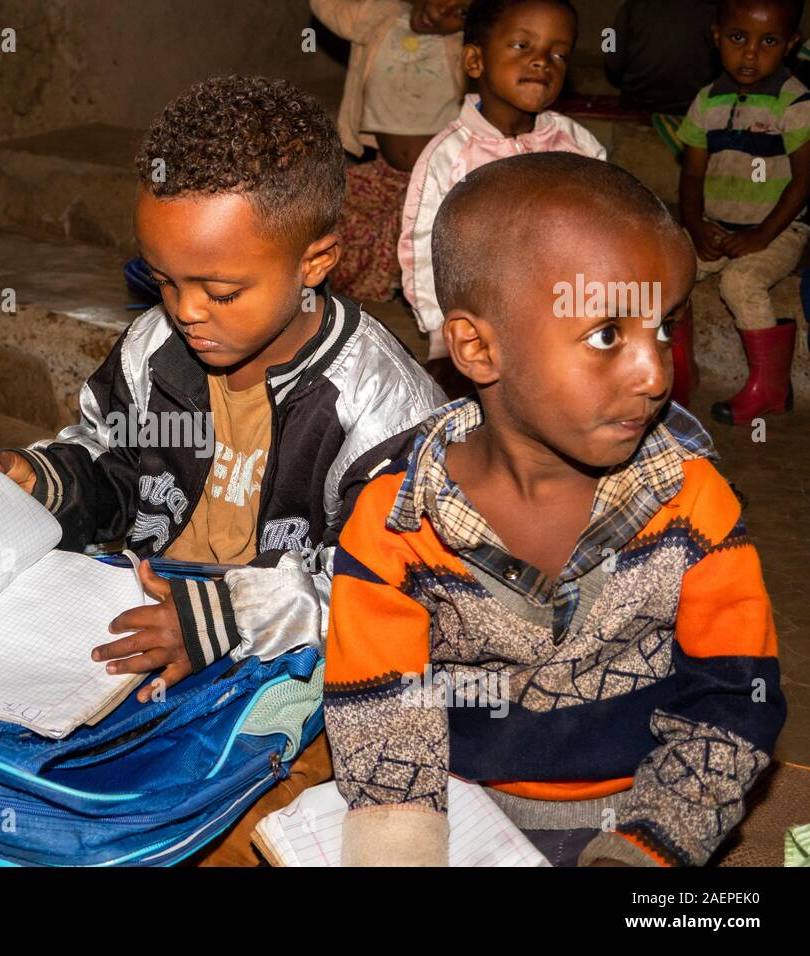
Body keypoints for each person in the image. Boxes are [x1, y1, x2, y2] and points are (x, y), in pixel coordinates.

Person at [0, 74, 443, 864]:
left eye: (220, 289)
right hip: (142, 614)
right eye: (162, 280)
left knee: (215, 832)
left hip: (285, 650)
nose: (186, 310)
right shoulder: (156, 347)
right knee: (1, 778)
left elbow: (398, 592)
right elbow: (110, 458)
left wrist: (220, 620)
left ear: (317, 260)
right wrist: (51, 480)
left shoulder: (379, 406)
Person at [326, 152, 785, 867]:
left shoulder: (695, 507)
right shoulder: (398, 524)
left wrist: (641, 848)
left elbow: (734, 702)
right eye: (609, 335)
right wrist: (401, 853)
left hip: (646, 816)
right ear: (478, 348)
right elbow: (383, 719)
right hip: (454, 814)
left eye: (663, 328)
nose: (655, 371)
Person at [399, 0, 605, 380]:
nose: (543, 61)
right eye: (523, 46)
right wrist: (441, 336)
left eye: (559, 53)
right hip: (483, 322)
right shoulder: (448, 157)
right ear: (475, 61)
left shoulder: (578, 146)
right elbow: (421, 246)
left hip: (566, 313)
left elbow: (608, 228)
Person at [679, 0, 810, 425]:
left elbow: (804, 180)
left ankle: (770, 388)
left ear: (791, 44)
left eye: (768, 41)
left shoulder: (796, 104)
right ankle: (677, 371)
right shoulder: (706, 100)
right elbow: (693, 173)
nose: (750, 53)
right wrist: (695, 224)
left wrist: (762, 237)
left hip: (780, 230)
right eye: (738, 38)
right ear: (717, 36)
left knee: (740, 281)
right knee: (668, 266)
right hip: (716, 226)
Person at [311, 0, 472, 303]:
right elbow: (327, 7)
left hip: (437, 179)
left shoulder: (464, 47)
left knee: (419, 224)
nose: (441, 12)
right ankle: (357, 288)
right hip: (385, 170)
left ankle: (417, 292)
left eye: (461, 12)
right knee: (329, 207)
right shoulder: (379, 15)